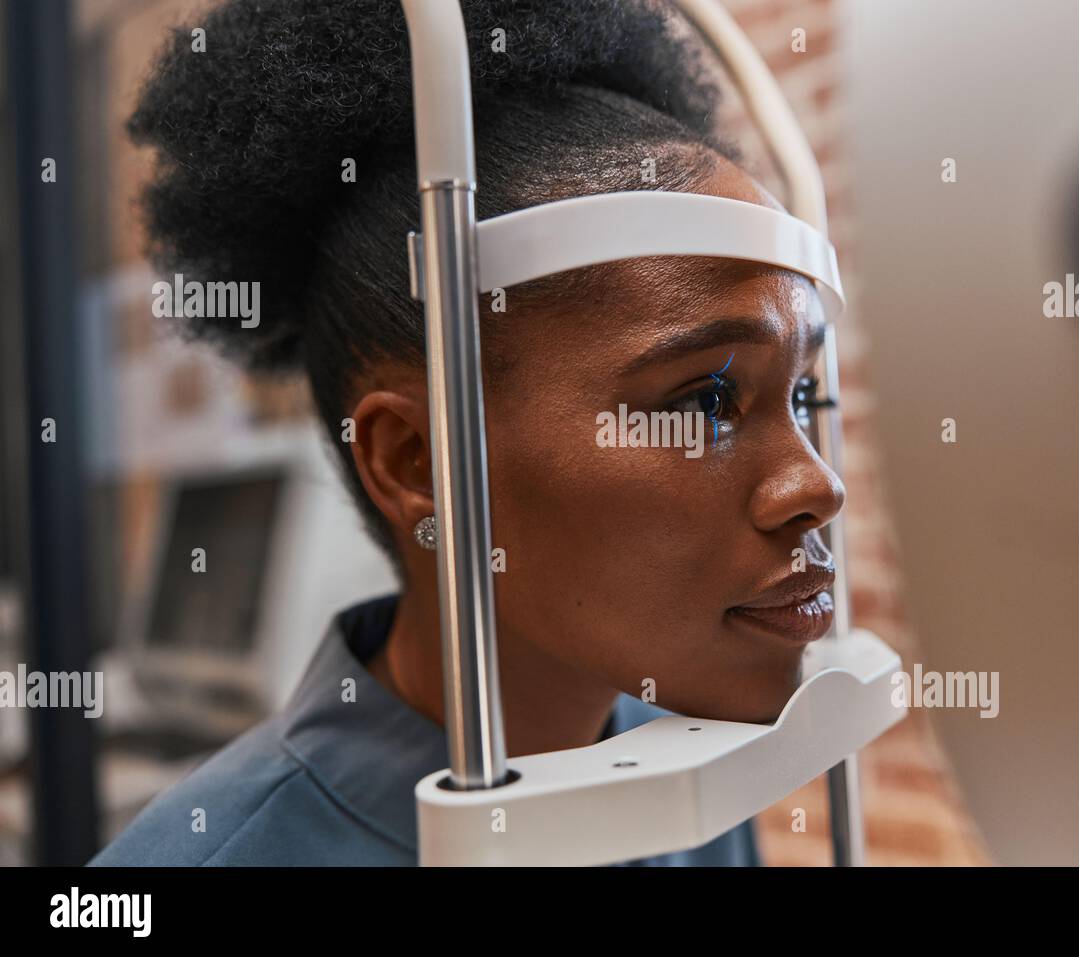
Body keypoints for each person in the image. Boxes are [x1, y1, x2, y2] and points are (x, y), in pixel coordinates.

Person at [91, 0, 843, 866]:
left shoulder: (691, 787)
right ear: (419, 461)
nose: (818, 484)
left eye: (806, 396)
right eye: (703, 402)